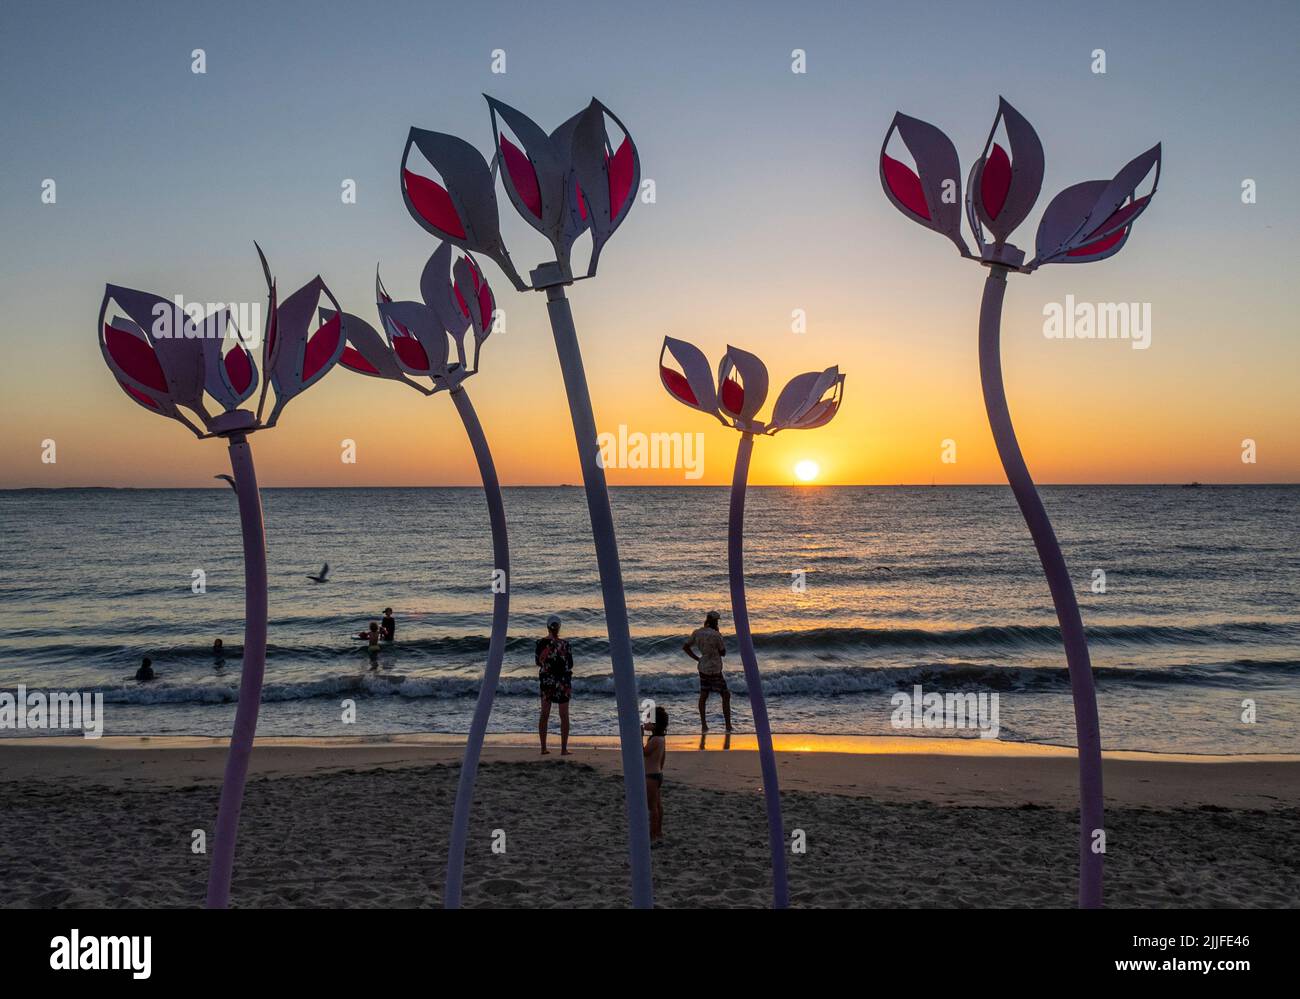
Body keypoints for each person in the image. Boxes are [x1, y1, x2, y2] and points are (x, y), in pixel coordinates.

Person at [684, 610, 732, 732]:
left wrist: (697, 658)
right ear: (715, 622)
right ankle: (728, 725)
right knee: (725, 695)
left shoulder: (697, 632)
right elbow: (723, 653)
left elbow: (686, 647)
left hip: (703, 667)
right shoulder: (716, 635)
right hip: (715, 668)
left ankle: (704, 725)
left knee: (704, 695)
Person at [536, 615, 573, 756]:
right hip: (563, 681)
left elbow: (538, 662)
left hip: (547, 681)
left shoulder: (540, 643)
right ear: (559, 627)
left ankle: (543, 748)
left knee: (544, 714)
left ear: (547, 627)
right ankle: (563, 749)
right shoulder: (565, 644)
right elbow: (570, 664)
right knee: (564, 715)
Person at [642, 705, 668, 844]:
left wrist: (638, 737)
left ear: (655, 724)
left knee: (652, 807)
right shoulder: (662, 739)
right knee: (657, 805)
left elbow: (643, 752)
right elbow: (663, 757)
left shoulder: (655, 740)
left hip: (650, 776)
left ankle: (653, 834)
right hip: (657, 774)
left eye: (648, 721)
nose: (646, 723)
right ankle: (658, 831)